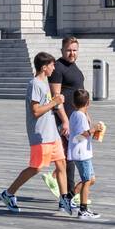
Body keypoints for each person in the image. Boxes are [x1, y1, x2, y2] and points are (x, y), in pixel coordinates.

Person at [0, 52, 71, 215]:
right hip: (40, 135)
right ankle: (8, 193)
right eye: (52, 65)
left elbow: (46, 107)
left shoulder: (44, 84)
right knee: (36, 168)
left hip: (52, 133)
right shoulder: (35, 84)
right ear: (44, 67)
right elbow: (36, 111)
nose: (54, 68)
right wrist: (54, 102)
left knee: (61, 164)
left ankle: (64, 198)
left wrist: (56, 104)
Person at [48, 36, 85, 205]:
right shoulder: (58, 68)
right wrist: (64, 121)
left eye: (74, 50)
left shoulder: (74, 67)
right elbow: (56, 97)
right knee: (69, 158)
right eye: (69, 50)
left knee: (71, 156)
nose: (72, 53)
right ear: (62, 50)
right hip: (65, 119)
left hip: (76, 118)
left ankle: (57, 179)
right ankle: (69, 195)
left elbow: (80, 95)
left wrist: (85, 115)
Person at [67, 88, 102, 220]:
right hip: (82, 154)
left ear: (73, 103)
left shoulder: (76, 114)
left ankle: (69, 197)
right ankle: (83, 209)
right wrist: (93, 130)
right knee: (87, 180)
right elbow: (78, 137)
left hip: (82, 153)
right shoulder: (80, 117)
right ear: (88, 102)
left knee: (91, 179)